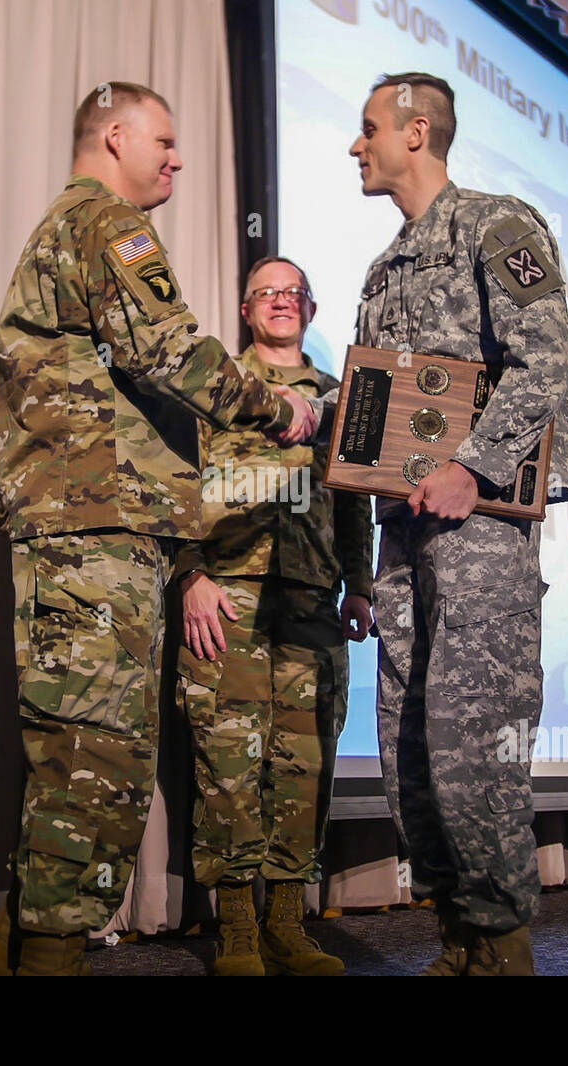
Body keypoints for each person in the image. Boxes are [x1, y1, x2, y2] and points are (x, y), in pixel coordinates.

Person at [0, 82, 318, 977]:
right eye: (162, 142)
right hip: (91, 526)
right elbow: (170, 351)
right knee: (99, 757)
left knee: (78, 750)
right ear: (115, 135)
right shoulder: (108, 226)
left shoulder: (72, 228)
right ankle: (48, 958)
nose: (174, 160)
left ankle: (14, 948)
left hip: (91, 522)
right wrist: (274, 408)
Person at [345, 72, 568, 975]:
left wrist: (471, 468)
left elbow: (543, 361)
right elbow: (383, 403)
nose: (355, 145)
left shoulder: (499, 224)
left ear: (416, 132)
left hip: (479, 521)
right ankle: (460, 937)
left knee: (471, 728)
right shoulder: (383, 268)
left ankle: (502, 947)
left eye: (367, 129)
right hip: (403, 528)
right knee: (407, 732)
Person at [173, 257, 374, 976]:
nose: (281, 302)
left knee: (304, 764)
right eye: (267, 293)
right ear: (247, 309)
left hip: (314, 599)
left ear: (310, 311)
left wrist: (361, 586)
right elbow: (174, 482)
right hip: (228, 593)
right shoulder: (215, 385)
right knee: (228, 760)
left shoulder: (339, 398)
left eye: (293, 293)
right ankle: (235, 933)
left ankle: (287, 924)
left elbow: (355, 498)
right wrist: (188, 573)